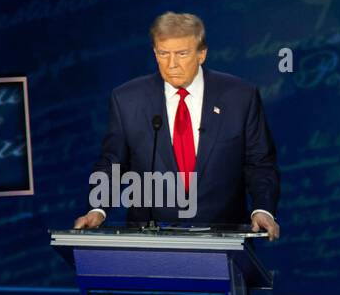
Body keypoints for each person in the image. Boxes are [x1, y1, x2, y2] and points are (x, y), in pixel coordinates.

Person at [74, 12, 280, 238]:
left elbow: (259, 162)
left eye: (182, 54)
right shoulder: (127, 99)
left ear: (202, 54)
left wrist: (263, 209)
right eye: (163, 54)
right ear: (155, 53)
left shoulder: (240, 96)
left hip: (222, 238)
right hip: (150, 240)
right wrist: (98, 209)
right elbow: (113, 162)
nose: (172, 64)